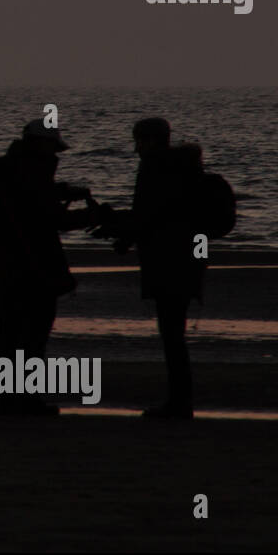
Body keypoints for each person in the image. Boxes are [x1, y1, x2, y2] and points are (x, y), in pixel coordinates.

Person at [0, 119, 99, 415]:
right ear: (40, 145)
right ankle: (26, 401)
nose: (55, 154)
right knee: (32, 336)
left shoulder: (6, 169)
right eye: (52, 147)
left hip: (8, 265)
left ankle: (9, 400)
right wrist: (90, 217)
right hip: (33, 266)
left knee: (9, 334)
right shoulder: (31, 171)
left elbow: (28, 203)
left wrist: (60, 191)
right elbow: (48, 217)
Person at [93, 118, 204, 419]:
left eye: (139, 140)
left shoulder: (155, 167)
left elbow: (149, 215)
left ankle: (179, 404)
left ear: (152, 140)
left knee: (171, 334)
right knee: (174, 332)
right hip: (188, 258)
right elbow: (160, 213)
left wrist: (121, 233)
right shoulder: (187, 168)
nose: (135, 147)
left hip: (166, 260)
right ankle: (180, 401)